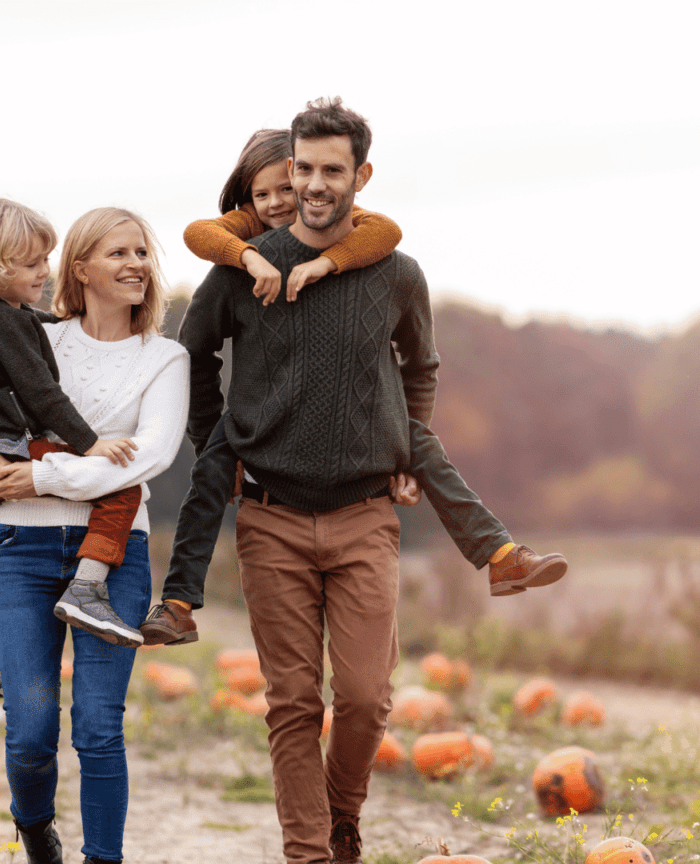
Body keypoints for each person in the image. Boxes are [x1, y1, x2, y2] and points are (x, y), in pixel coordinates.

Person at [179, 96, 478, 864]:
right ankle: (310, 852)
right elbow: (194, 354)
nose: (311, 184)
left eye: (328, 170)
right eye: (300, 169)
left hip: (365, 515)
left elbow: (422, 365)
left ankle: (342, 811)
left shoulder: (397, 273)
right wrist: (216, 440)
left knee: (369, 698)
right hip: (270, 517)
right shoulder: (238, 273)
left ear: (360, 175)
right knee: (292, 703)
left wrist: (410, 450)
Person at [140, 128, 566, 649]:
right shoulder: (243, 239)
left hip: (366, 443)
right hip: (257, 430)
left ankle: (501, 556)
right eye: (263, 193)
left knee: (424, 447)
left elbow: (388, 232)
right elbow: (198, 241)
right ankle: (179, 603)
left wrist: (325, 262)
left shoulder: (364, 240)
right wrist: (210, 437)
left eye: (287, 188)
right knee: (207, 475)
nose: (277, 202)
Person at [0, 206, 188, 864]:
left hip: (114, 554)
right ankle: (34, 829)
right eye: (118, 252)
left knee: (100, 728)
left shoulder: (165, 358)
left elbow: (147, 456)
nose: (136, 263)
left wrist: (40, 476)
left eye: (142, 252)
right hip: (22, 552)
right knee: (31, 733)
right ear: (81, 268)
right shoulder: (34, 333)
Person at [0, 199, 148, 700]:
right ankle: (87, 588)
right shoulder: (4, 322)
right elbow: (41, 394)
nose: (45, 271)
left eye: (46, 259)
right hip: (4, 450)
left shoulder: (0, 316)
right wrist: (91, 444)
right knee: (123, 490)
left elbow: (35, 333)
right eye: (33, 263)